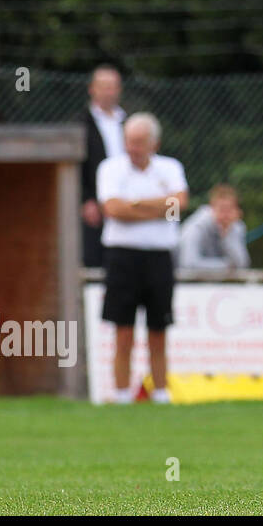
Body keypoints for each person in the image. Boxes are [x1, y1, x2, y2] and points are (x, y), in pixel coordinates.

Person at [95, 113, 188, 404]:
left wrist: (134, 204)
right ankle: (122, 394)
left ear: (154, 143)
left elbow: (179, 205)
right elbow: (113, 210)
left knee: (158, 329)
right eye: (129, 142)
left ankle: (160, 393)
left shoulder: (170, 167)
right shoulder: (110, 168)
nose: (133, 148)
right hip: (122, 258)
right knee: (123, 330)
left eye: (139, 142)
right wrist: (157, 206)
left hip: (159, 258)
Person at [81, 64, 126, 268]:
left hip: (126, 199)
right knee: (94, 255)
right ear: (92, 89)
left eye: (113, 86)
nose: (109, 92)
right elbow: (78, 165)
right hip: (96, 203)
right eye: (104, 86)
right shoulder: (81, 123)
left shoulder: (128, 121)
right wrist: (86, 199)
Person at [178, 184, 249, 271]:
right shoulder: (196, 227)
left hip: (216, 280)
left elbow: (242, 263)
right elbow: (188, 263)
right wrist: (226, 266)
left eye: (230, 209)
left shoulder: (236, 227)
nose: (226, 214)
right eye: (222, 209)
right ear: (212, 207)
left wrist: (227, 234)